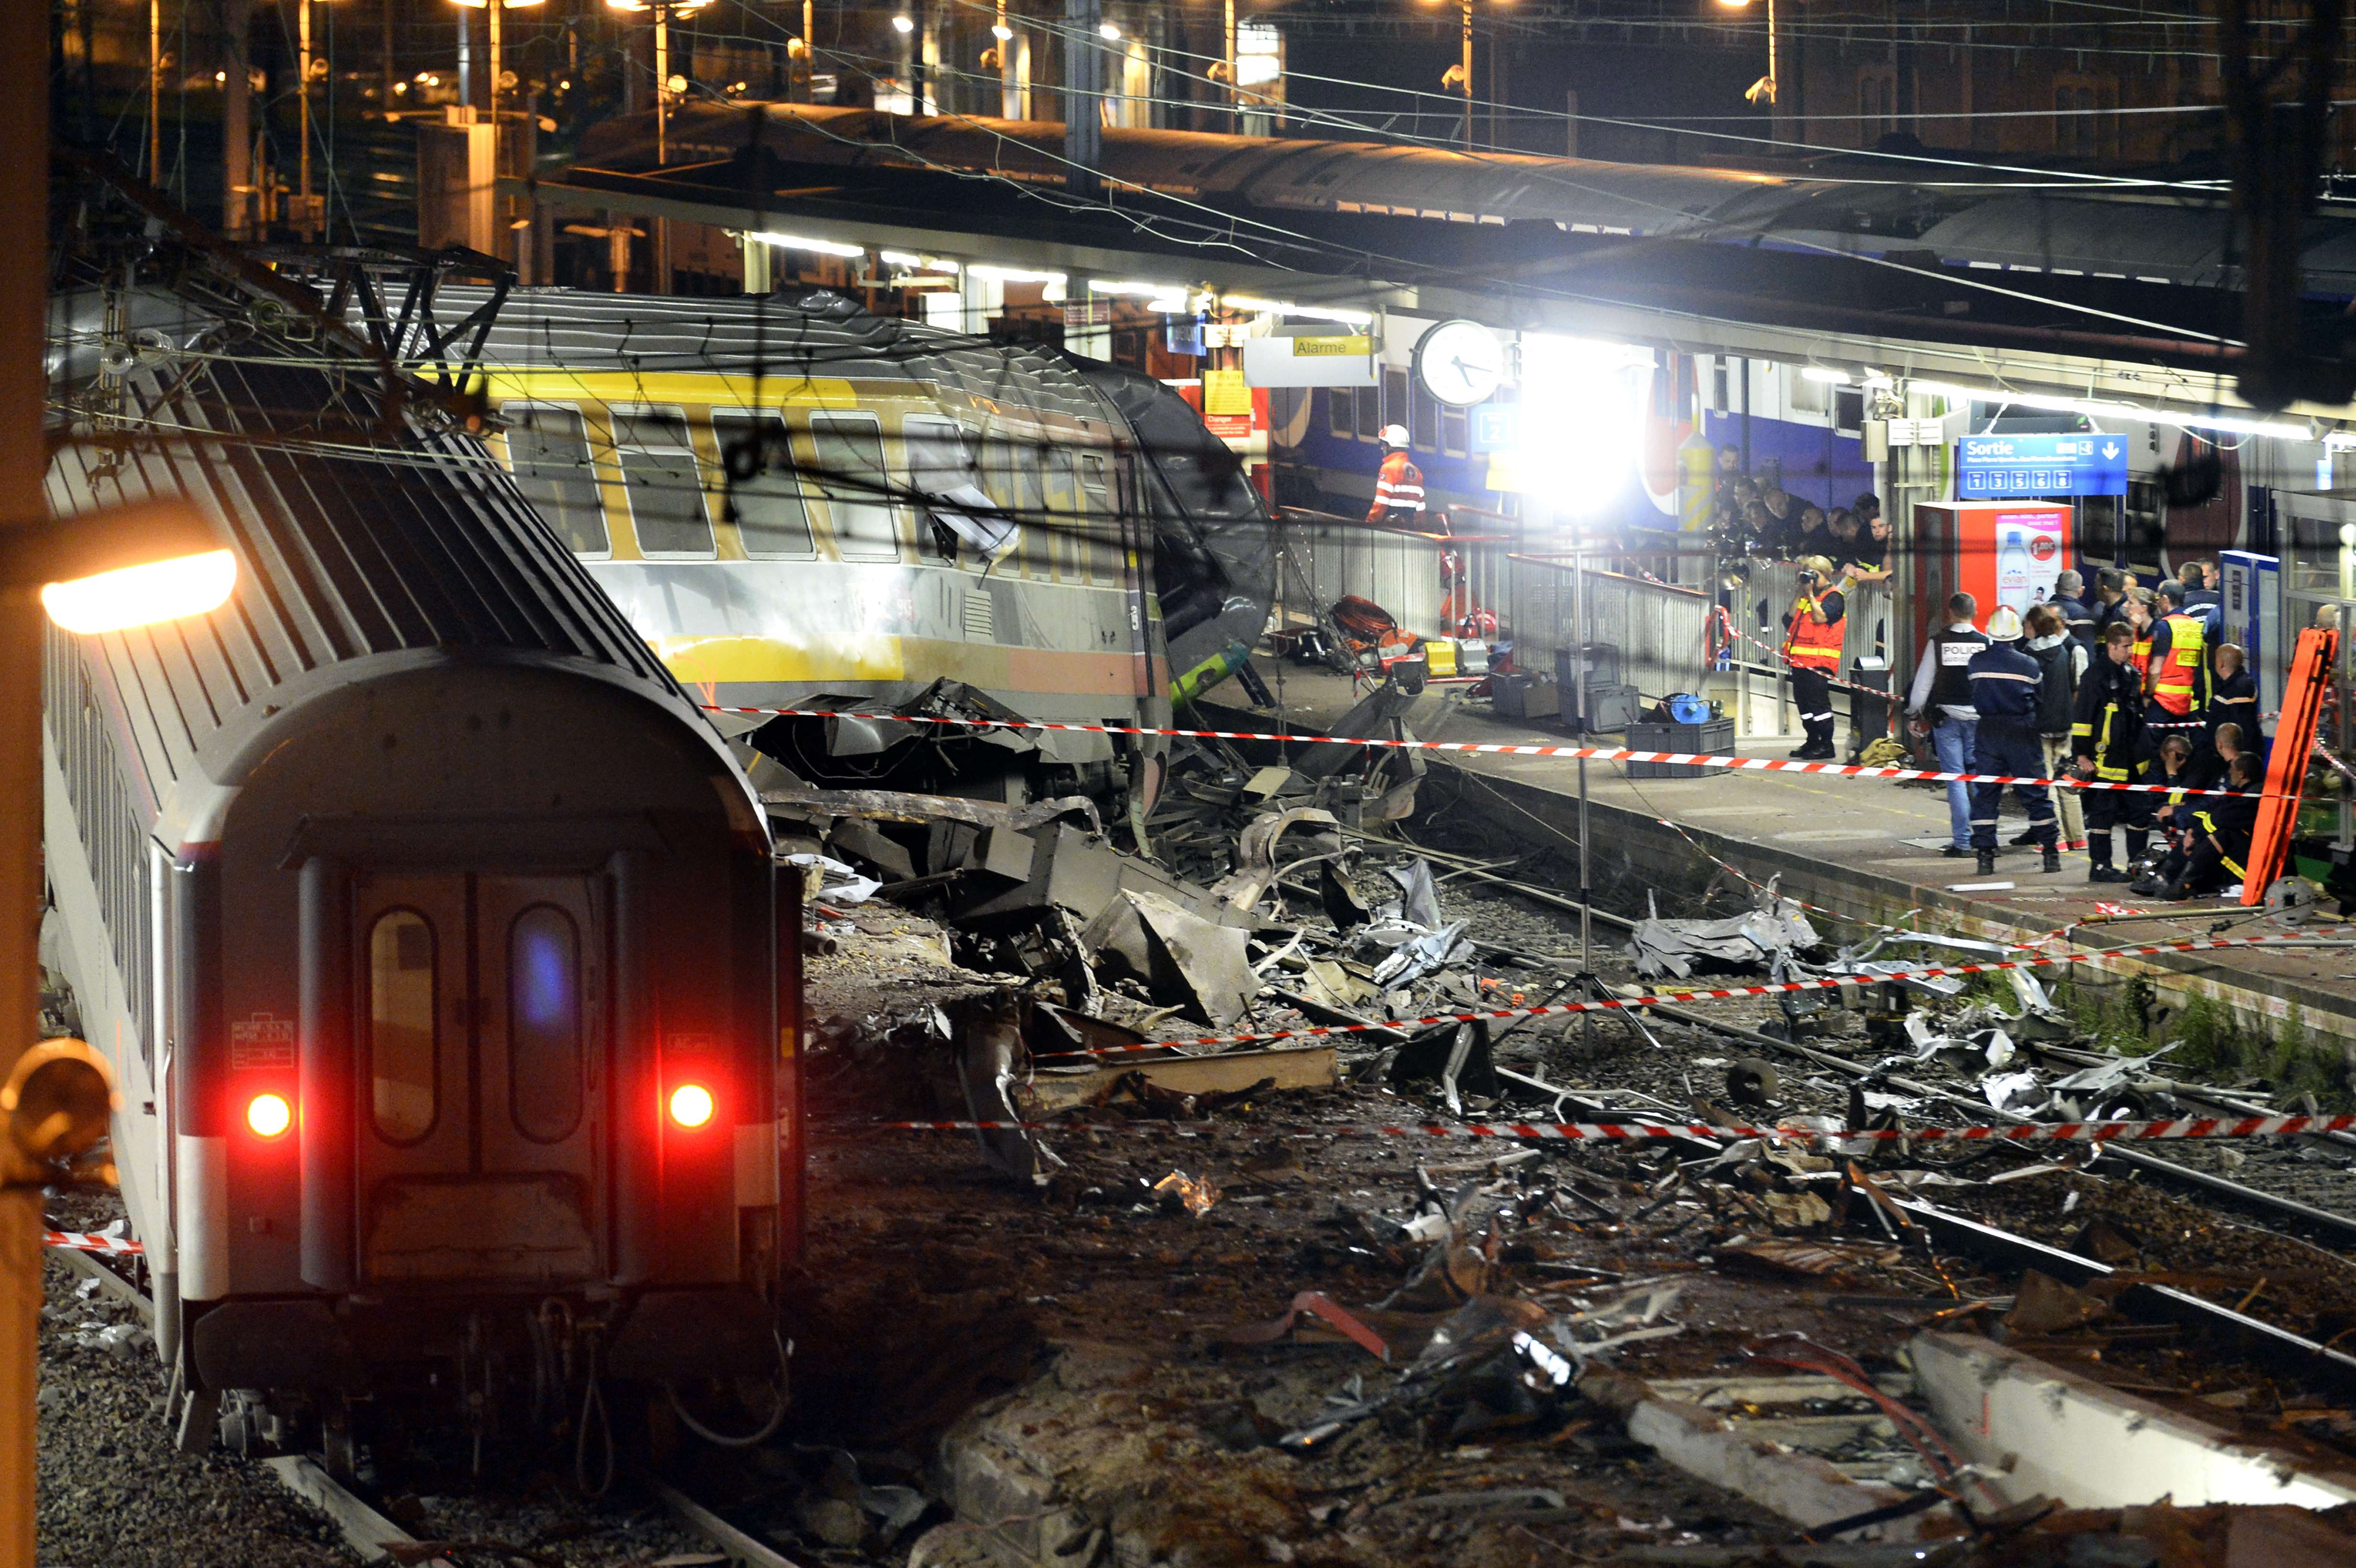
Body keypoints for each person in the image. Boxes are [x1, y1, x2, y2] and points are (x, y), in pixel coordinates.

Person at [1965, 607, 2061, 875]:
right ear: (2017, 633)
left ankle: (1985, 856)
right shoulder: (2029, 664)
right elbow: (2040, 698)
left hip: (1988, 731)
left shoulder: (1977, 663)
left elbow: (1973, 692)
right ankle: (2051, 853)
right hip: (2022, 732)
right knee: (2035, 792)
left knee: (1986, 794)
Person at [1908, 591, 1991, 857]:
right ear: (1974, 613)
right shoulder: (1986, 642)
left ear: (1951, 613)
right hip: (1980, 720)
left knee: (1956, 780)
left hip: (1947, 720)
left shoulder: (1939, 642)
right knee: (1979, 779)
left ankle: (1963, 843)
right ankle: (1984, 839)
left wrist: (1913, 713)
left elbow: (1923, 684)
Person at [2072, 621, 2154, 883]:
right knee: (2103, 812)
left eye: (2132, 646)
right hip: (2105, 759)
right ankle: (2100, 866)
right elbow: (2084, 718)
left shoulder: (2130, 674)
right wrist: (2082, 755)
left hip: (2132, 758)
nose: (2130, 651)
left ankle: (2137, 864)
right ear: (2111, 647)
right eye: (2126, 647)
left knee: (2140, 810)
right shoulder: (2094, 676)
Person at [2132, 752, 2262, 900]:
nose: (2229, 772)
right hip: (2235, 854)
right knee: (2200, 832)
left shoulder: (2254, 796)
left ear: (2242, 774)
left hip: (2248, 865)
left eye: (2232, 768)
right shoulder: (2238, 791)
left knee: (2219, 835)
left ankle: (2183, 885)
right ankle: (2164, 879)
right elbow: (2212, 809)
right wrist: (2192, 830)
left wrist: (2195, 835)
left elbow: (2222, 817)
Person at [2018, 603, 2088, 851]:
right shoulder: (2062, 650)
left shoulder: (2030, 656)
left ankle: (2055, 839)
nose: (2023, 628)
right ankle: (2078, 837)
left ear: (2033, 627)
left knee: (2045, 784)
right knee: (2066, 780)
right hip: (2065, 724)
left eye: (2026, 624)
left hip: (2042, 726)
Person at [1780, 555, 1845, 760]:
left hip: (1820, 663)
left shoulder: (1834, 597)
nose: (1809, 578)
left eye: (1812, 574)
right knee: (1804, 706)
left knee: (1819, 706)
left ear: (1823, 574)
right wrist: (1802, 591)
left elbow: (1821, 618)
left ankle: (1826, 745)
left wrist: (1809, 595)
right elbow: (1790, 616)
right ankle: (1812, 740)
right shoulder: (1808, 597)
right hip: (1800, 662)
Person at [2145, 579, 2212, 730]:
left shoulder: (2164, 626)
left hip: (2162, 702)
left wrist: (2148, 696)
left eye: (2159, 599)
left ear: (2166, 599)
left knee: (2153, 749)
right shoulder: (2196, 626)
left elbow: (2156, 669)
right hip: (2188, 703)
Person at [1366, 425, 1425, 528]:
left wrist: (1370, 523)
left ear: (1391, 446)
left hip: (1390, 529)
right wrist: (1421, 529)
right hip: (1410, 530)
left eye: (1384, 444)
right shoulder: (1417, 472)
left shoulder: (1389, 468)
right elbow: (1421, 508)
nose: (1382, 448)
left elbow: (1381, 502)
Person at [2209, 642, 2259, 753]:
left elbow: (2242, 727)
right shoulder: (2247, 684)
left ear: (2221, 664)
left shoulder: (2233, 692)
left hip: (2232, 757)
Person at [2049, 570, 2096, 650]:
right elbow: (2088, 651)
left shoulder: (2041, 610)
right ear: (2081, 591)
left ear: (2056, 587)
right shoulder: (2084, 616)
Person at [2089, 568, 2130, 641]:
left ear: (2105, 589)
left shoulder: (2123, 614)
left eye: (2097, 584)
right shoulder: (2108, 608)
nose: (2094, 587)